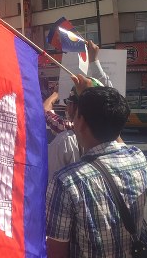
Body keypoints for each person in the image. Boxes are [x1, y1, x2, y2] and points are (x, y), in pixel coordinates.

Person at [46, 81, 147, 258]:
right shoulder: (138, 160)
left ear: (79, 121)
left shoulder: (67, 181)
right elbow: (112, 134)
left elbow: (56, 257)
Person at [43, 40, 111, 181]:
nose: (66, 105)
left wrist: (55, 94)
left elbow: (46, 110)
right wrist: (94, 60)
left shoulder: (66, 133)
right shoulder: (112, 132)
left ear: (74, 107)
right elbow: (109, 95)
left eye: (68, 101)